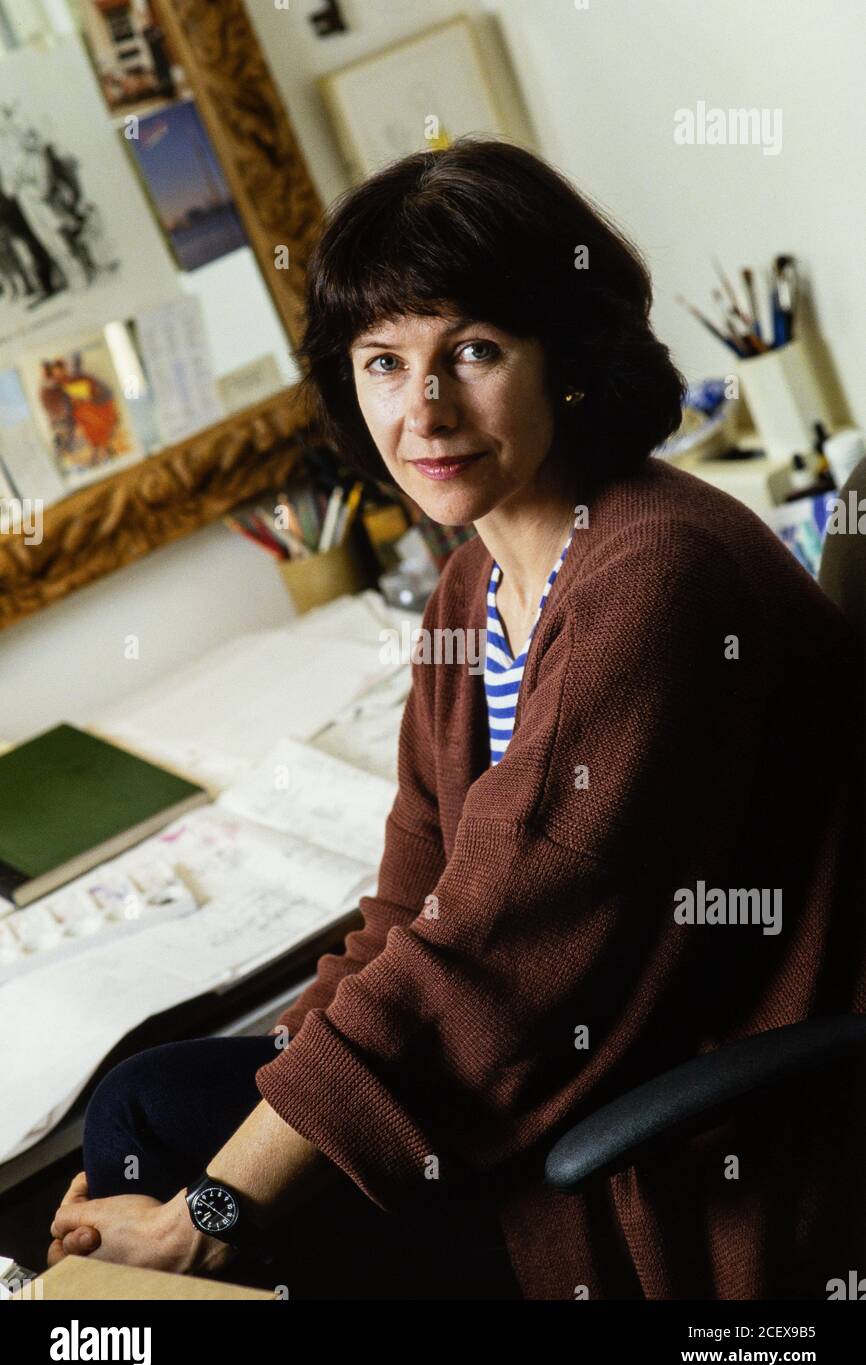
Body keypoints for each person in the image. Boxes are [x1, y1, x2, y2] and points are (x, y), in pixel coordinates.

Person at [48, 137, 865, 1300]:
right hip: (547, 1058)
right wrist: (231, 1158)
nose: (422, 409)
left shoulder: (653, 574)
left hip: (656, 1126)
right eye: (382, 362)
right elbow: (407, 909)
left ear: (566, 359)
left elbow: (487, 967)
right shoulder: (471, 588)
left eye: (471, 350)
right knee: (149, 1096)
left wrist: (212, 1211)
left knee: (183, 1169)